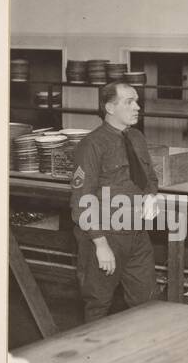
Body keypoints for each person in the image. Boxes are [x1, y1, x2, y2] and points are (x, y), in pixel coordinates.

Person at [69, 83, 161, 322]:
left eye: (137, 101)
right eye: (129, 102)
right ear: (110, 107)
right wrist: (100, 245)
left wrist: (151, 194)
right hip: (105, 233)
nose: (137, 107)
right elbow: (82, 200)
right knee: (98, 303)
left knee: (148, 300)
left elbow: (149, 175)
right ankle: (95, 358)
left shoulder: (137, 137)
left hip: (136, 231)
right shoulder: (91, 145)